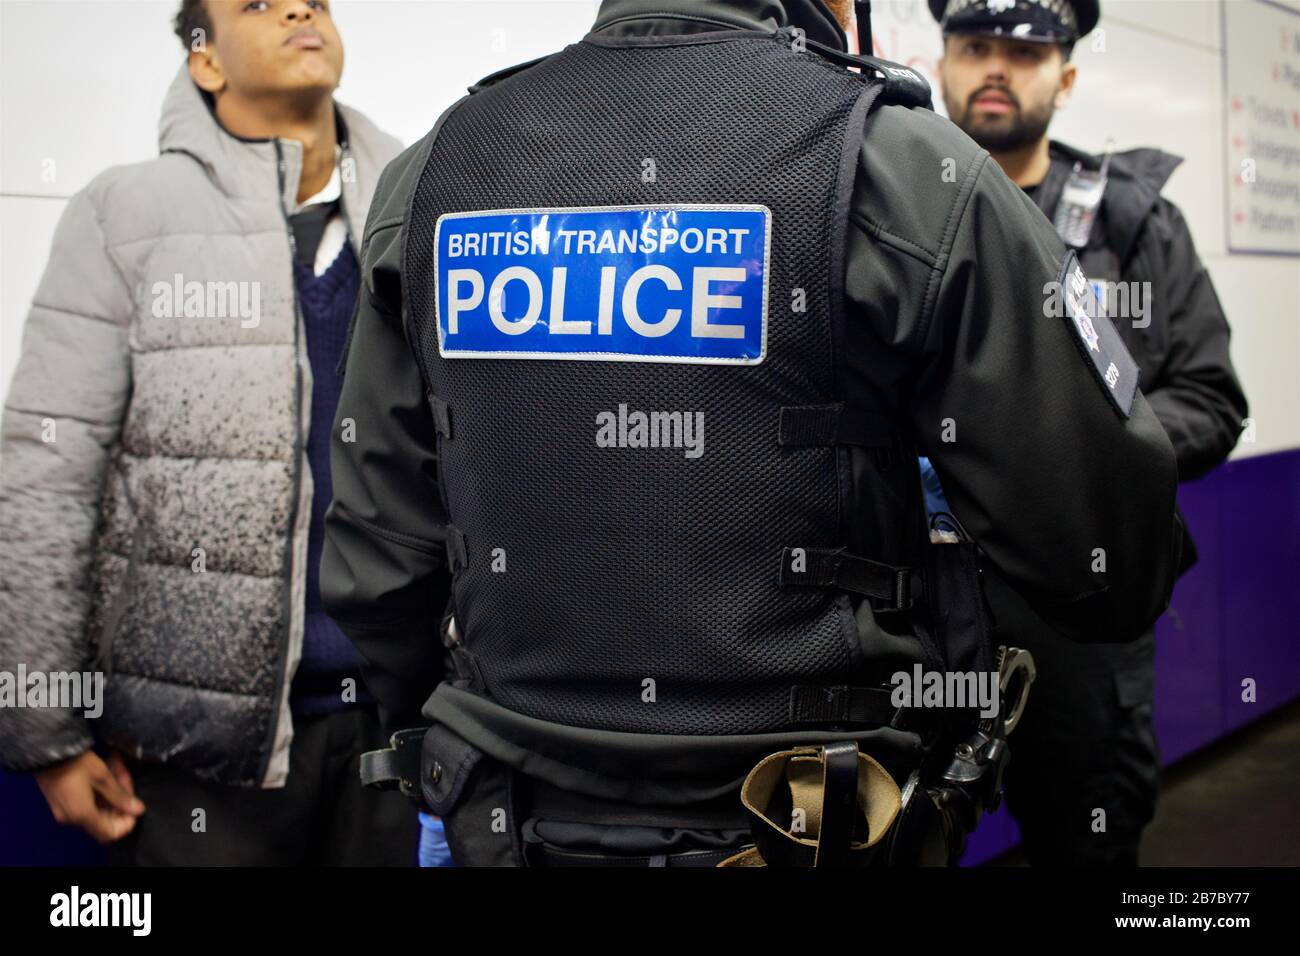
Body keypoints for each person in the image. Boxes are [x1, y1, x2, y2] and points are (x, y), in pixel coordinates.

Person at [321, 0, 1184, 867]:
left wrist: (460, 733)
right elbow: (1109, 554)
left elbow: (377, 564)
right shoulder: (903, 167)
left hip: (507, 817)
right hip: (814, 819)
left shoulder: (437, 167)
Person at [0, 0, 415, 865]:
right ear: (206, 62)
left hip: (395, 730)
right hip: (196, 753)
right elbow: (45, 481)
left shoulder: (423, 212)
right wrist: (45, 731)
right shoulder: (124, 216)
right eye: (255, 4)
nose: (300, 8)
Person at [928, 0, 1248, 865]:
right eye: (976, 45)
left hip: (1080, 618)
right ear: (943, 62)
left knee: (1089, 838)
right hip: (915, 618)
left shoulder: (1133, 224)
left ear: (1065, 76)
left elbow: (1212, 401)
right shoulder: (896, 206)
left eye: (1024, 52)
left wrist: (1076, 457)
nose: (996, 66)